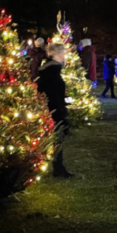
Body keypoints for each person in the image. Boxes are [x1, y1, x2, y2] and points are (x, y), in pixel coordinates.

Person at [37, 42, 73, 178]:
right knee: (58, 138)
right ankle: (58, 169)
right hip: (54, 110)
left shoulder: (49, 70)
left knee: (56, 139)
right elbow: (53, 93)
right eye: (63, 53)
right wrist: (60, 108)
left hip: (52, 108)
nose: (64, 56)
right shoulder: (52, 72)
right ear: (57, 54)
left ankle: (58, 167)